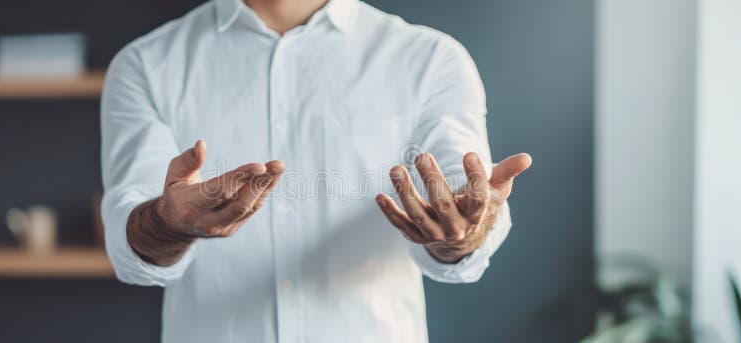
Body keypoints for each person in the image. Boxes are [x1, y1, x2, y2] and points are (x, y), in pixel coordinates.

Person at [100, 0, 532, 341]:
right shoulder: (144, 66)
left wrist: (467, 228)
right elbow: (130, 243)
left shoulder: (431, 60)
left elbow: (465, 200)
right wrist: (167, 223)